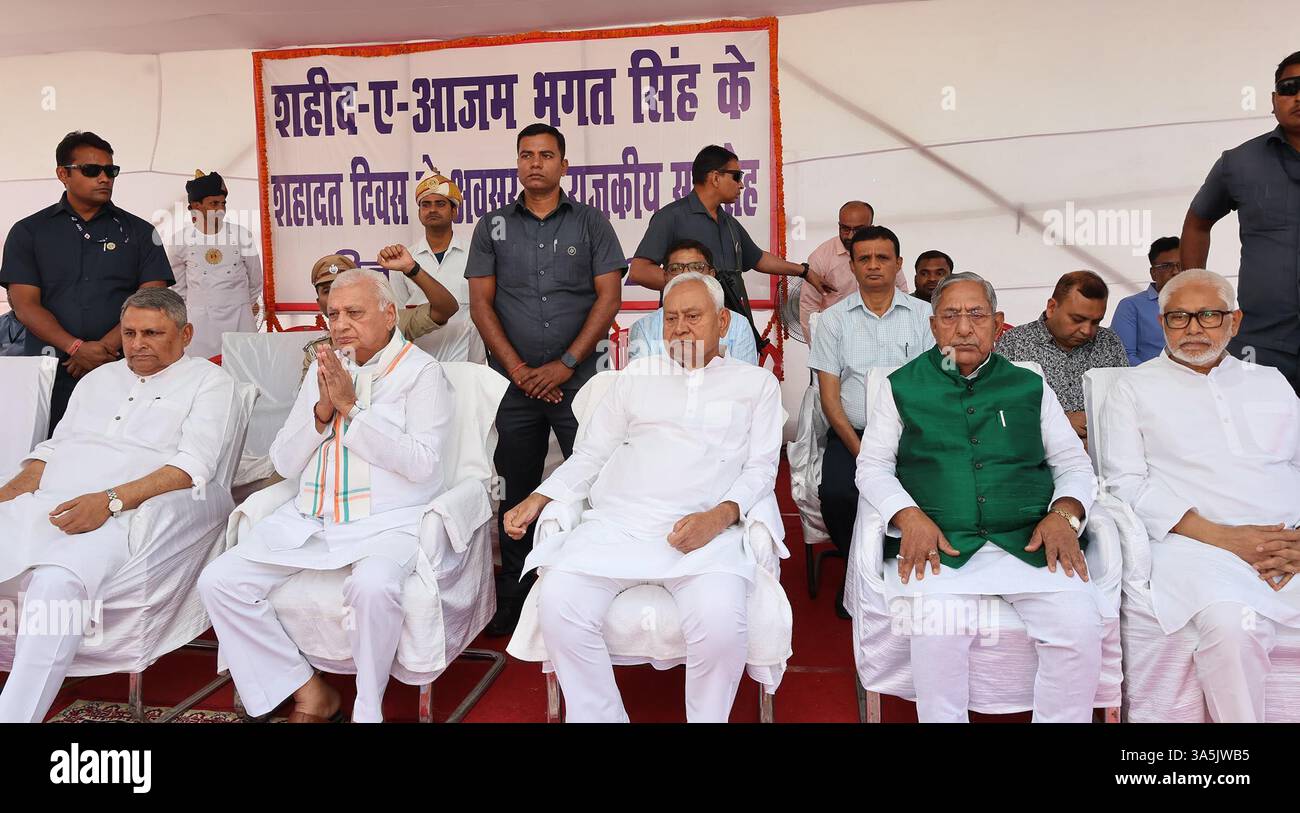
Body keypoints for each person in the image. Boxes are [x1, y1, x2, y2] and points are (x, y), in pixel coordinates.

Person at [502, 272, 782, 722]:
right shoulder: (635, 376)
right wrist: (540, 497)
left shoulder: (755, 385)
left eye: (693, 316)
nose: (680, 328)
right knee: (558, 602)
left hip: (704, 535)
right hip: (619, 527)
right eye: (670, 318)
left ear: (724, 322)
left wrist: (721, 516)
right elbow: (591, 454)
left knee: (720, 623)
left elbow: (762, 469)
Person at [198, 268, 455, 723]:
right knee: (219, 581)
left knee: (373, 587)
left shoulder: (422, 372)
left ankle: (369, 703)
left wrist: (352, 410)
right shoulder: (326, 367)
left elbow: (423, 464)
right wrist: (321, 410)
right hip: (312, 517)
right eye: (333, 313)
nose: (339, 324)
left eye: (354, 312)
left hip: (384, 520)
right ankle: (308, 690)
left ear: (390, 313)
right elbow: (283, 461)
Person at [856, 272, 1103, 722]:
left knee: (1080, 627)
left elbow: (1073, 462)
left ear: (998, 323)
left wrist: (1065, 515)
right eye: (950, 316)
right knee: (937, 634)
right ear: (933, 327)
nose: (964, 327)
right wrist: (907, 516)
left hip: (1028, 543)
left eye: (977, 315)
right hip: (943, 547)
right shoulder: (901, 385)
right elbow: (872, 466)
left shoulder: (1029, 385)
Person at [0, 289, 235, 722]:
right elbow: (52, 450)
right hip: (47, 503)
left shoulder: (210, 382)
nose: (138, 343)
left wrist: (108, 501)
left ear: (185, 334)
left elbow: (190, 467)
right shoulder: (98, 379)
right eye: (129, 333)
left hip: (123, 516)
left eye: (152, 333)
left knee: (57, 584)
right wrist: (8, 494)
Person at [1102, 269, 1300, 722]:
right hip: (1195, 547)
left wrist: (1296, 543)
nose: (1193, 328)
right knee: (1232, 627)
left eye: (1209, 315)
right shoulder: (1132, 387)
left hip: (1286, 544)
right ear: (1161, 321)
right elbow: (1125, 484)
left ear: (1235, 321)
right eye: (1178, 317)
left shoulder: (1270, 382)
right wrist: (1229, 539)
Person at [466, 123, 625, 636]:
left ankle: (591, 584)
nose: (536, 163)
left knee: (593, 482)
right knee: (518, 485)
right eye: (526, 155)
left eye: (546, 155)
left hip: (580, 381)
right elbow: (480, 304)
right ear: (517, 163)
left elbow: (609, 298)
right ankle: (515, 595)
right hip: (513, 386)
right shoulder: (491, 226)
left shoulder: (593, 223)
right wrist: (518, 371)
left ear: (564, 165)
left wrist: (566, 364)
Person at [0, 131, 173, 432]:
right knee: (41, 456)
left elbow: (153, 300)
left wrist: (102, 349)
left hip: (123, 365)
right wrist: (76, 348)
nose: (104, 178)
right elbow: (25, 305)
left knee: (118, 453)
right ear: (62, 174)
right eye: (92, 170)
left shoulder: (141, 232)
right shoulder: (29, 232)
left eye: (111, 170)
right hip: (48, 370)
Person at [807, 225, 934, 617]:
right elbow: (829, 399)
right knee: (839, 495)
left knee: (932, 491)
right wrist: (865, 455)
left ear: (898, 264)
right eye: (864, 258)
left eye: (883, 258)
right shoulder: (832, 321)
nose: (874, 265)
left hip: (916, 433)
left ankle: (907, 566)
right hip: (853, 434)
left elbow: (937, 384)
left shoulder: (926, 316)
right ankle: (855, 569)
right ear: (854, 266)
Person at [628, 144, 836, 349]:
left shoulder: (728, 222)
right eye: (737, 176)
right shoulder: (671, 217)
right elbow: (639, 270)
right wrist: (689, 284)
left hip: (732, 329)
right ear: (715, 178)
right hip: (689, 334)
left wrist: (803, 271)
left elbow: (758, 259)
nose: (742, 185)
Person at [1181, 50, 1300, 394]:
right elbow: (1197, 222)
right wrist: (1195, 292)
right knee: (1259, 441)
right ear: (1274, 100)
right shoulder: (1239, 163)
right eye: (1289, 87)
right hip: (1264, 339)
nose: (1298, 96)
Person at [995, 270, 1128, 443]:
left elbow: (1127, 405)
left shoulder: (1109, 342)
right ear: (1051, 308)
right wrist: (1060, 422)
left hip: (1106, 452)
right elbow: (1000, 413)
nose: (1087, 330)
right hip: (1038, 455)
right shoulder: (1015, 343)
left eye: (1096, 322)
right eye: (1077, 319)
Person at [381, 167, 483, 362]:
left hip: (470, 363)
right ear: (419, 212)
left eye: (440, 204)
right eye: (425, 205)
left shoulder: (476, 254)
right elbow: (399, 318)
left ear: (454, 211)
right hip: (419, 364)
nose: (432, 210)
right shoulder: (404, 260)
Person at [301, 253, 456, 380]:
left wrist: (412, 269)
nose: (338, 295)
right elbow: (308, 409)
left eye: (346, 287)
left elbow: (445, 309)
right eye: (328, 291)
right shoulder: (317, 352)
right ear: (319, 303)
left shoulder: (389, 321)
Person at [167, 170, 263, 359]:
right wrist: (200, 306)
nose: (221, 209)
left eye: (223, 203)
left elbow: (256, 280)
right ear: (196, 205)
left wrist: (241, 304)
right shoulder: (180, 240)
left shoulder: (242, 235)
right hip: (199, 324)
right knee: (202, 374)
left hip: (241, 320)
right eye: (214, 203)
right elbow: (177, 287)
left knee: (245, 372)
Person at [627, 239, 757, 364]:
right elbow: (641, 383)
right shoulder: (644, 327)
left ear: (711, 274)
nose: (686, 274)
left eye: (697, 267)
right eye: (676, 268)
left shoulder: (739, 324)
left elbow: (744, 380)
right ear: (666, 276)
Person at [798, 201, 908, 336]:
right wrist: (818, 348)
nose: (850, 235)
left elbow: (901, 293)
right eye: (845, 229)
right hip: (837, 336)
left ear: (870, 227)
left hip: (883, 331)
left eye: (858, 230)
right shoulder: (820, 257)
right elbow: (808, 307)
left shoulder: (884, 252)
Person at [1111, 237, 1181, 366]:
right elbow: (1123, 356)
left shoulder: (1202, 305)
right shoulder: (1131, 306)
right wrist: (1155, 379)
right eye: (1167, 266)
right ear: (1153, 273)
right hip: (1149, 382)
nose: (1176, 271)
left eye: (1180, 265)